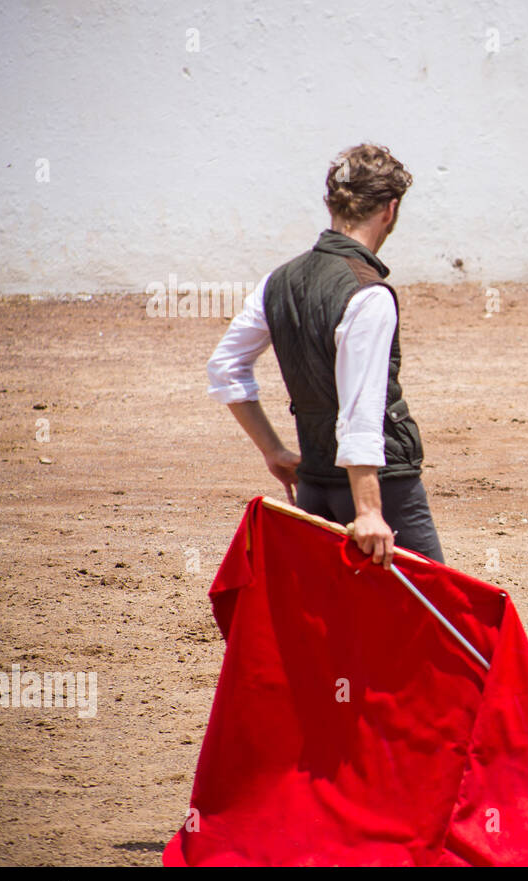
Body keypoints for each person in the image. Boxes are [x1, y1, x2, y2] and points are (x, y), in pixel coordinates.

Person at [206, 143, 444, 568]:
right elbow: (361, 406)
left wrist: (274, 451)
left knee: (336, 624)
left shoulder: (277, 282)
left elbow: (225, 368)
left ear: (330, 205)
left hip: (315, 484)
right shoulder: (368, 293)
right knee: (439, 622)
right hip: (382, 489)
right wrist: (369, 509)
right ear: (389, 210)